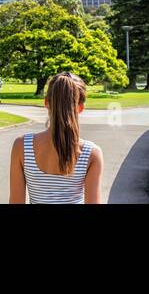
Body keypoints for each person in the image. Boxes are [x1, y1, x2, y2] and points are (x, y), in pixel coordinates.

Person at [9, 72, 103, 204]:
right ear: (80, 108)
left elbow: (15, 202)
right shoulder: (92, 153)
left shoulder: (22, 146)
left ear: (46, 102)